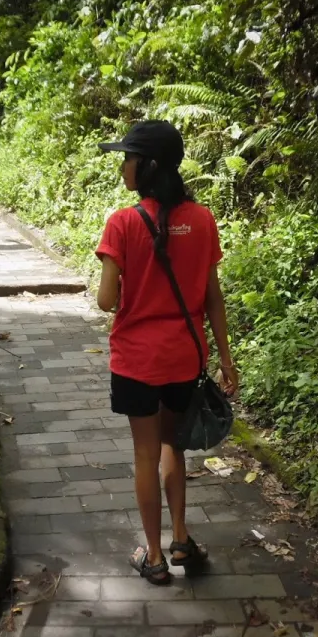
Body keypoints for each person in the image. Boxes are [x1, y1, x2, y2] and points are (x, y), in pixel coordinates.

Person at [95, 120, 240, 585]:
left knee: (144, 454)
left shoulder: (122, 222)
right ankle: (181, 539)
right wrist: (227, 357)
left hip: (137, 360)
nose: (122, 167)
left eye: (127, 158)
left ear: (148, 165)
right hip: (185, 357)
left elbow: (106, 301)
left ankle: (153, 558)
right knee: (173, 445)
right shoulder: (202, 219)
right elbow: (213, 297)